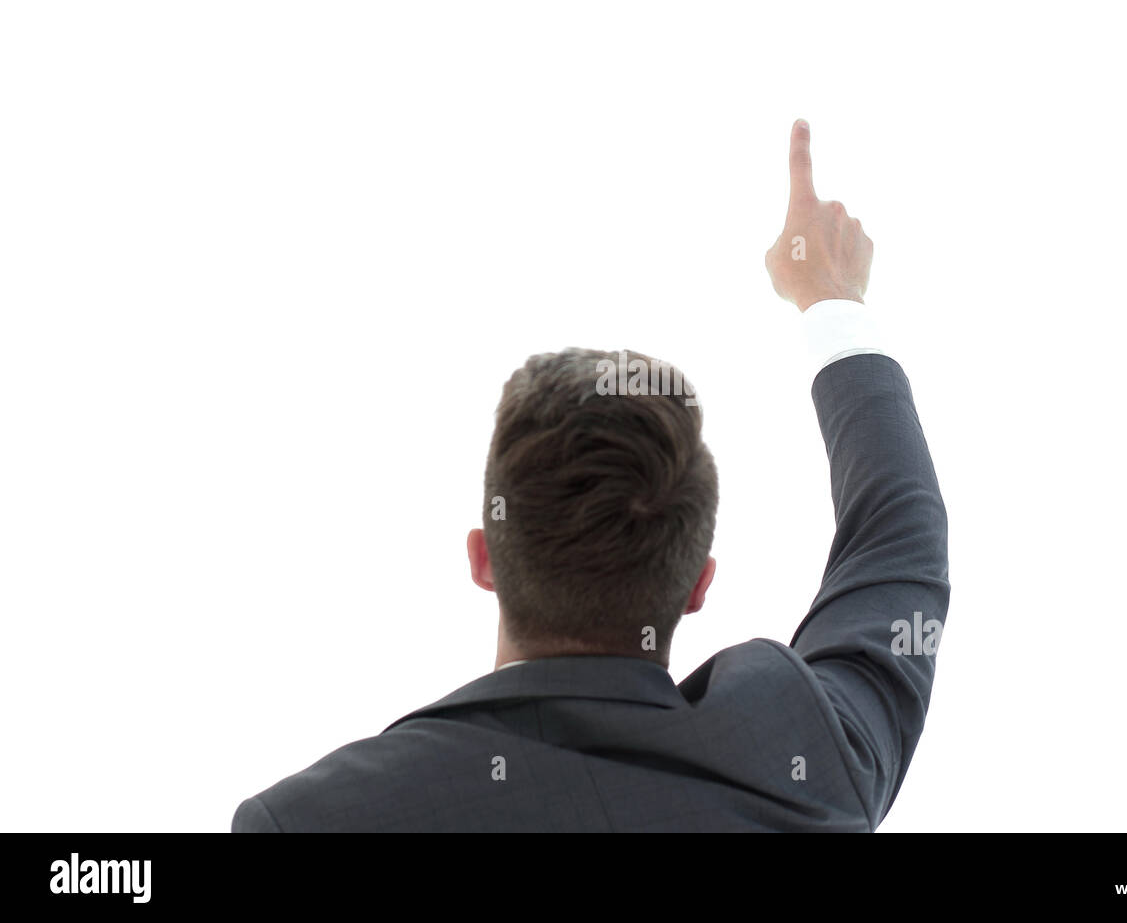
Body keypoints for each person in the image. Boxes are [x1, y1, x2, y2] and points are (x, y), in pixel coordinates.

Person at [232, 119, 949, 832]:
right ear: (699, 582)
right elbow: (900, 542)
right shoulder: (800, 760)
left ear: (484, 557)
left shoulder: (311, 822)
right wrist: (830, 298)